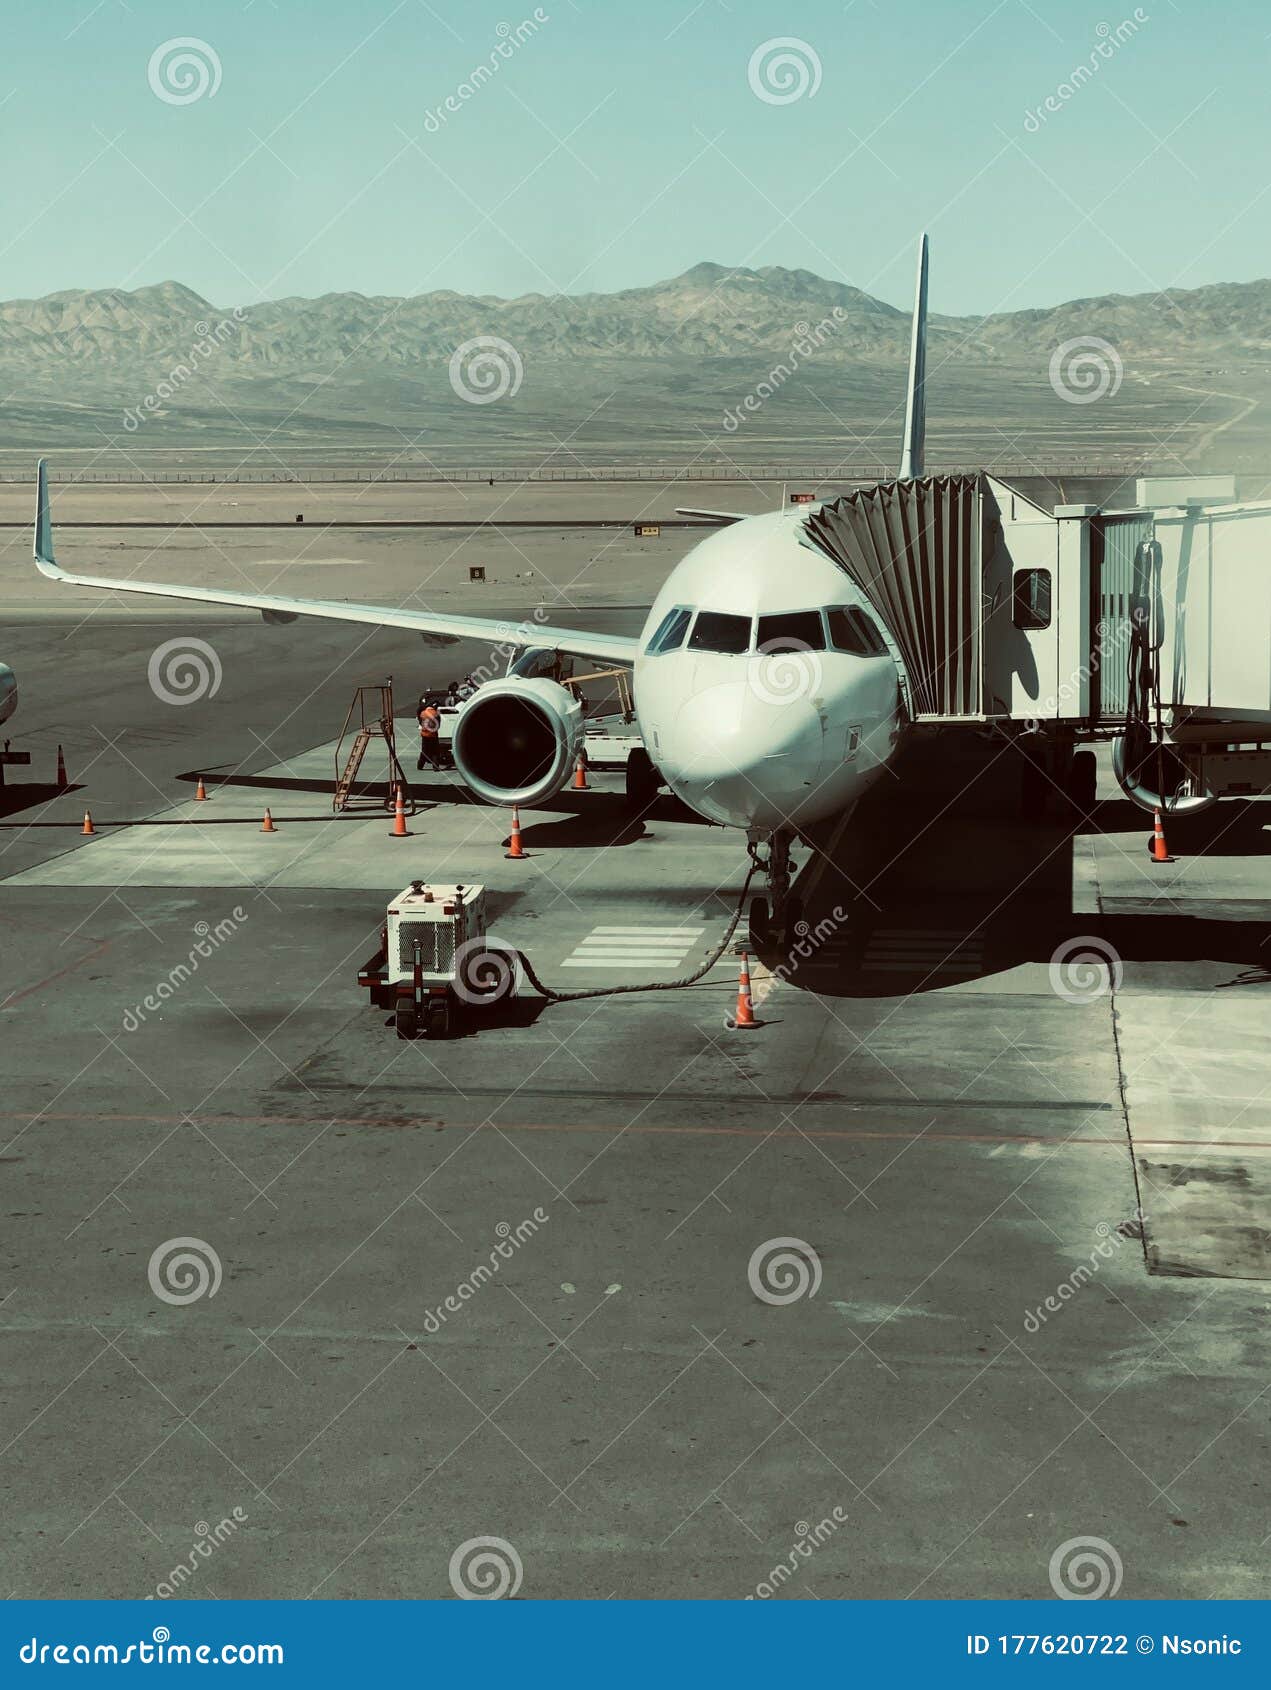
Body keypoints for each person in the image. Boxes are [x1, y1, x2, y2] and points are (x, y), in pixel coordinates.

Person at [416, 695, 441, 771]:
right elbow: (438, 725)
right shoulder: (436, 714)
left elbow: (420, 721)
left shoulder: (423, 713)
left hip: (424, 735)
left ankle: (420, 765)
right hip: (433, 735)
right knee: (435, 752)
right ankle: (435, 767)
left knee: (424, 751)